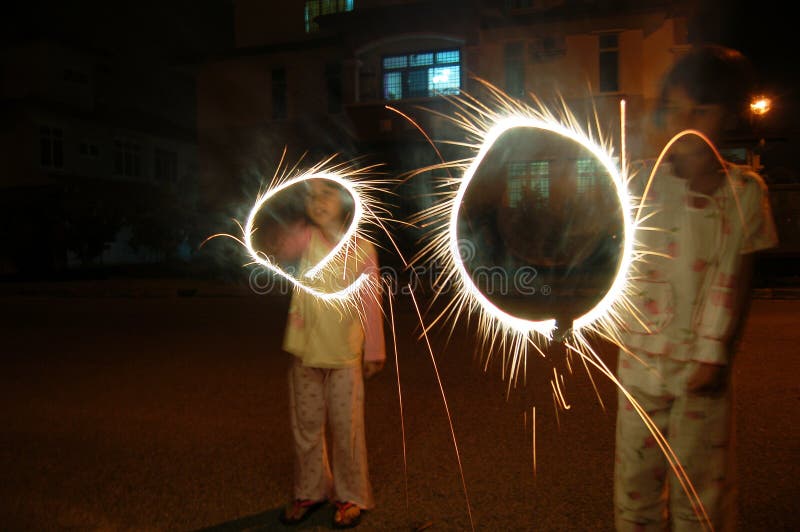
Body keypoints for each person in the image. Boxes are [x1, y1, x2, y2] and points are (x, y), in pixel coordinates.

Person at [615, 44, 779, 531]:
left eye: (700, 110)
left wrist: (717, 353)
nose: (684, 123)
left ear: (728, 117)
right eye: (673, 110)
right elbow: (608, 258)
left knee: (700, 491)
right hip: (638, 364)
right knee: (634, 485)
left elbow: (738, 279)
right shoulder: (641, 183)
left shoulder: (745, 193)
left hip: (700, 371)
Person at [277, 178, 386, 529]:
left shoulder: (362, 249)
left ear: (346, 200)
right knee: (305, 427)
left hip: (343, 356)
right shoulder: (306, 239)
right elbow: (279, 250)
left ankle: (351, 494)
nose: (317, 200)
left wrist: (373, 351)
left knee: (347, 429)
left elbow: (372, 305)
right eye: (311, 195)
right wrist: (285, 232)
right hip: (305, 352)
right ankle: (310, 489)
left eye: (326, 193)